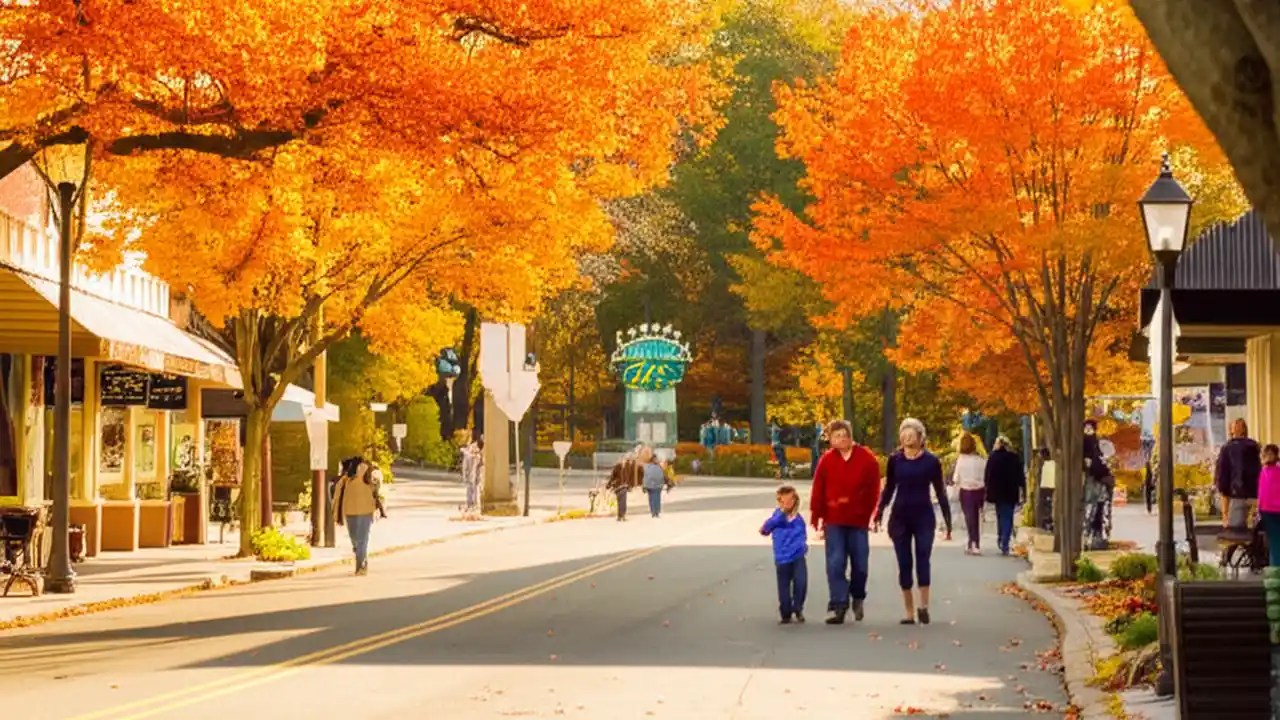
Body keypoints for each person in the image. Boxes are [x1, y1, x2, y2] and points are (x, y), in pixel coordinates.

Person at [874, 418, 952, 626]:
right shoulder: (895, 460)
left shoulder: (931, 461)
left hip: (923, 516)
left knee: (923, 559)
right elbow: (890, 488)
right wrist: (879, 511)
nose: (907, 437)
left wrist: (947, 520)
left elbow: (940, 491)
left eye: (911, 434)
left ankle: (923, 606)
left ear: (920, 437)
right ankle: (909, 611)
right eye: (904, 434)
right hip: (900, 517)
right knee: (904, 563)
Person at [809, 419, 881, 625]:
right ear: (830, 440)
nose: (841, 439)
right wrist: (817, 515)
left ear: (850, 436)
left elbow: (874, 488)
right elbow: (818, 488)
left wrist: (872, 512)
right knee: (835, 562)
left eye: (844, 435)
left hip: (858, 519)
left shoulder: (866, 459)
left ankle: (857, 596)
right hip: (835, 520)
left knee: (860, 564)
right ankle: (839, 605)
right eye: (836, 436)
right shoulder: (827, 460)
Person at [761, 485, 808, 624]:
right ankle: (785, 613)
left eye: (790, 500)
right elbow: (765, 529)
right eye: (783, 501)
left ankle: (798, 608)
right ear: (779, 502)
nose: (787, 503)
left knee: (801, 582)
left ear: (795, 500)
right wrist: (781, 514)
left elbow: (802, 535)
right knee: (784, 586)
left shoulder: (798, 519)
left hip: (798, 556)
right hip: (782, 557)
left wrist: (803, 546)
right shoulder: (777, 517)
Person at [335, 458, 381, 576]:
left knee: (357, 538)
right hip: (360, 510)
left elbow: (337, 496)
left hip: (355, 511)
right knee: (360, 539)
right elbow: (377, 487)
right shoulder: (366, 474)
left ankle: (360, 562)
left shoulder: (350, 477)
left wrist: (336, 513)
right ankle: (361, 560)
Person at [1216, 418, 1262, 529]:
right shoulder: (1254, 446)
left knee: (1235, 532)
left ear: (1232, 431)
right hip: (1256, 494)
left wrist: (1225, 510)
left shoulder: (1227, 448)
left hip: (1238, 494)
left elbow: (1223, 475)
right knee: (1256, 531)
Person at [984, 435, 1026, 556]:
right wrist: (1023, 489)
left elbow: (987, 476)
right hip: (1011, 492)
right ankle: (1005, 542)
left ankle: (1001, 536)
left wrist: (987, 489)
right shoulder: (1014, 458)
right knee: (1008, 517)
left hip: (997, 492)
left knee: (1000, 515)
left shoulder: (993, 457)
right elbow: (1020, 477)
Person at [952, 433, 987, 555]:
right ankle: (975, 543)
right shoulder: (981, 460)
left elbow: (955, 478)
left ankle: (971, 541)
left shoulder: (961, 460)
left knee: (969, 517)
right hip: (979, 490)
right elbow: (985, 476)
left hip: (966, 490)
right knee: (976, 516)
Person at [1082, 420, 1115, 550]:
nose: (1088, 431)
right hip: (1096, 481)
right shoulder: (1094, 444)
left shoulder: (1096, 444)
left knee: (1096, 510)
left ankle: (1094, 537)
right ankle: (1093, 537)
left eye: (1090, 428)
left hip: (1096, 481)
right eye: (1087, 428)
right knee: (1094, 510)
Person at [1256, 444, 1280, 567]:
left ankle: (1275, 570)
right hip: (1269, 512)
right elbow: (1262, 493)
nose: (1269, 457)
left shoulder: (1266, 471)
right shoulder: (1264, 471)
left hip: (1270, 511)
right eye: (1267, 454)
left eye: (1271, 454)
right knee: (1275, 542)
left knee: (1275, 542)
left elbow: (1262, 493)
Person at [607, 451, 642, 521]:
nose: (628, 461)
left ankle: (621, 516)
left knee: (622, 502)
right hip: (618, 486)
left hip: (624, 486)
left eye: (629, 460)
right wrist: (609, 484)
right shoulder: (618, 466)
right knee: (621, 502)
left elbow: (629, 477)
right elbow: (613, 476)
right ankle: (620, 516)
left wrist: (630, 486)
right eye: (627, 459)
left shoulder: (628, 466)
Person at [640, 446, 666, 518]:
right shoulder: (659, 466)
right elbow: (662, 475)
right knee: (657, 498)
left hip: (650, 485)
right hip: (657, 485)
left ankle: (653, 512)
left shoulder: (646, 466)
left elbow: (645, 477)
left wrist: (644, 486)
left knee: (652, 498)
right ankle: (656, 512)